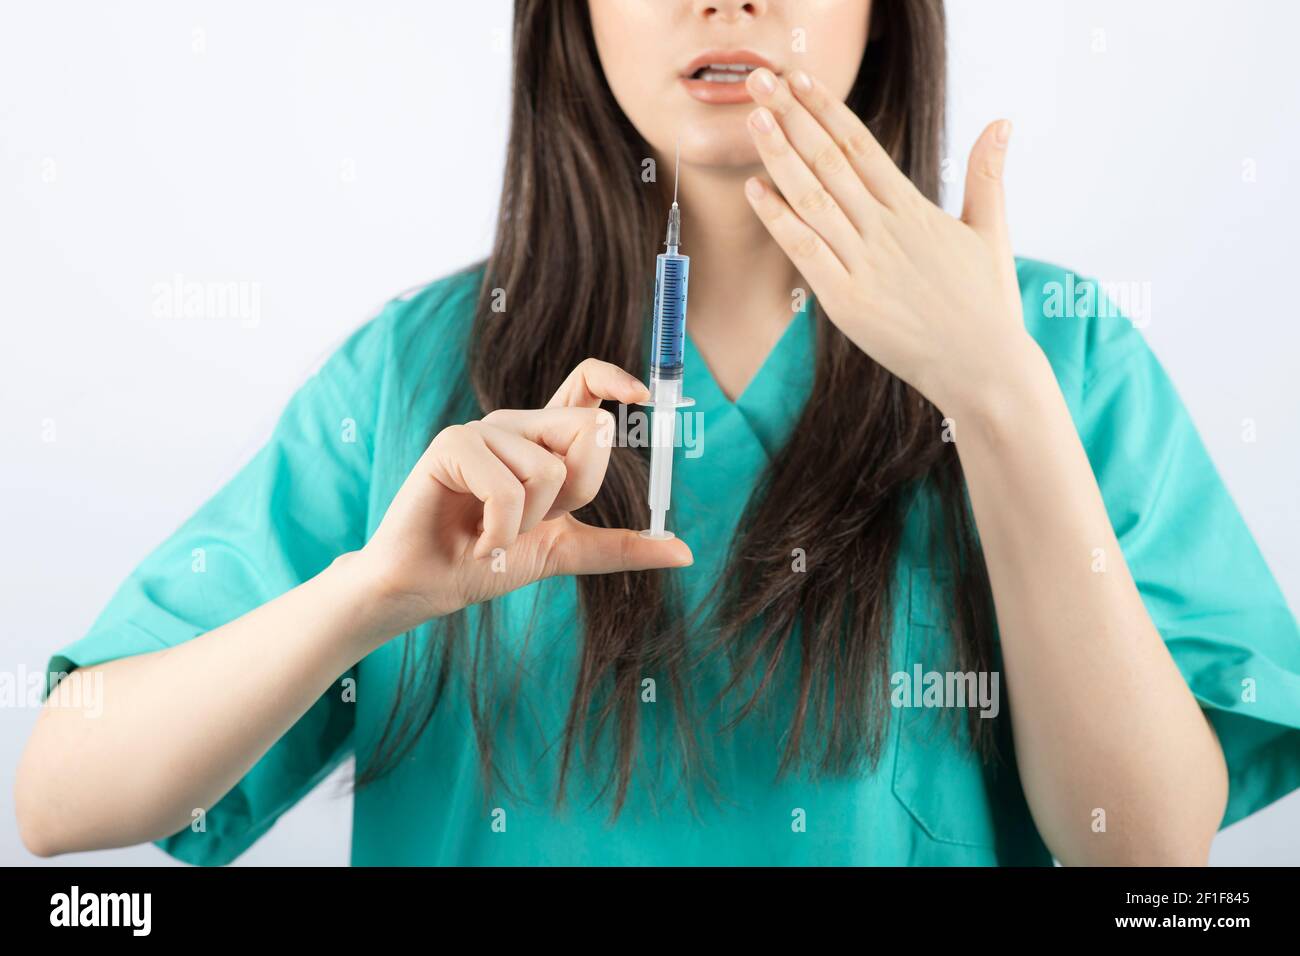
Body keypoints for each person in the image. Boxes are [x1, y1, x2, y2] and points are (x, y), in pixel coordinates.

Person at [16, 0, 1300, 866]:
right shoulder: (418, 376)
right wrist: (366, 596)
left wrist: (998, 396)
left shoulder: (1057, 351)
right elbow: (60, 794)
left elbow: (1145, 851)